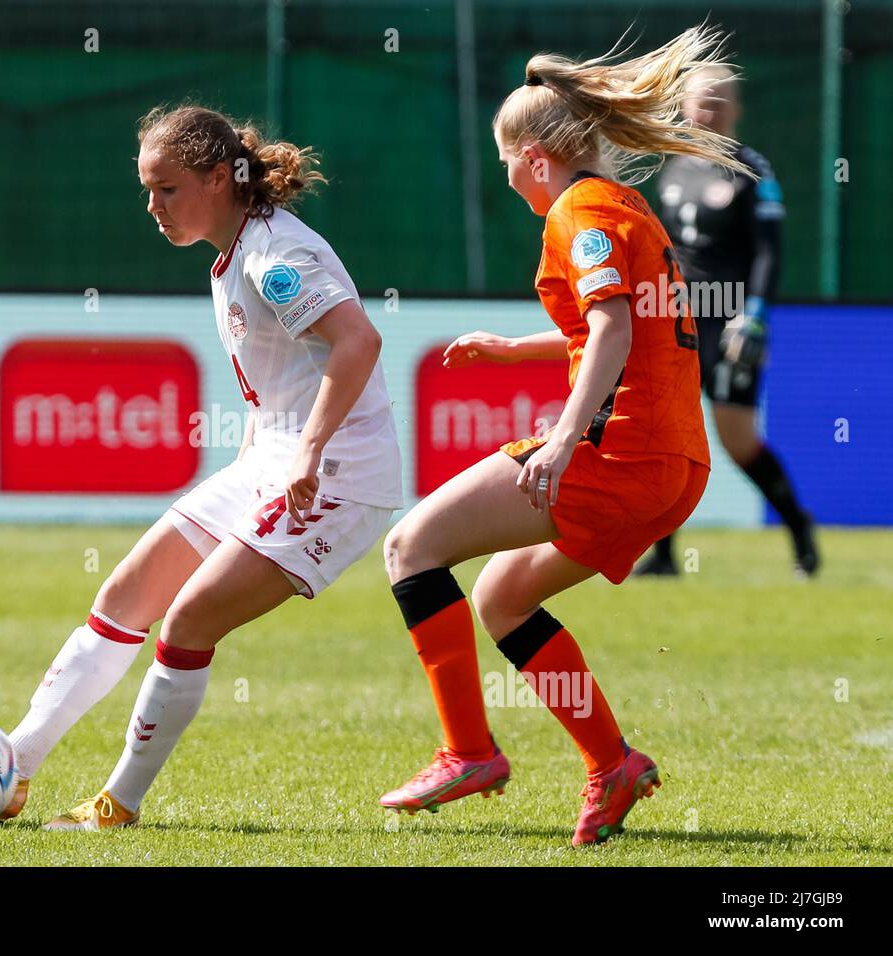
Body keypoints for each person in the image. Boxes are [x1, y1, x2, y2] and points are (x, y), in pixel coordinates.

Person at [375, 26, 741, 846]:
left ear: (535, 155)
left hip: (623, 452)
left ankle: (467, 751)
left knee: (410, 547)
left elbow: (611, 329)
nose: (506, 176)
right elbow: (622, 327)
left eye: (507, 160)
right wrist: (519, 348)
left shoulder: (578, 211)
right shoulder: (623, 206)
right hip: (676, 466)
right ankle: (611, 765)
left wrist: (564, 438)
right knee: (503, 598)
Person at [0, 105, 402, 829]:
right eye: (146, 191)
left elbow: (358, 343)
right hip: (273, 460)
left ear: (218, 178)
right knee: (126, 595)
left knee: (186, 623)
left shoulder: (276, 259)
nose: (152, 208)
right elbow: (288, 374)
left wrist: (305, 451)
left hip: (335, 475)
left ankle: (118, 804)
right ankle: (11, 767)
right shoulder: (236, 250)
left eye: (167, 190)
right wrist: (259, 455)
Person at [635, 66, 818, 577]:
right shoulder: (670, 166)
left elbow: (768, 254)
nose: (709, 111)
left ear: (736, 109)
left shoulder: (752, 171)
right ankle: (666, 557)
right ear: (685, 106)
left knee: (737, 440)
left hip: (731, 321)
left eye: (719, 101)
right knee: (666, 433)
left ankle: (800, 528)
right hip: (676, 320)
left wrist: (753, 316)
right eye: (700, 101)